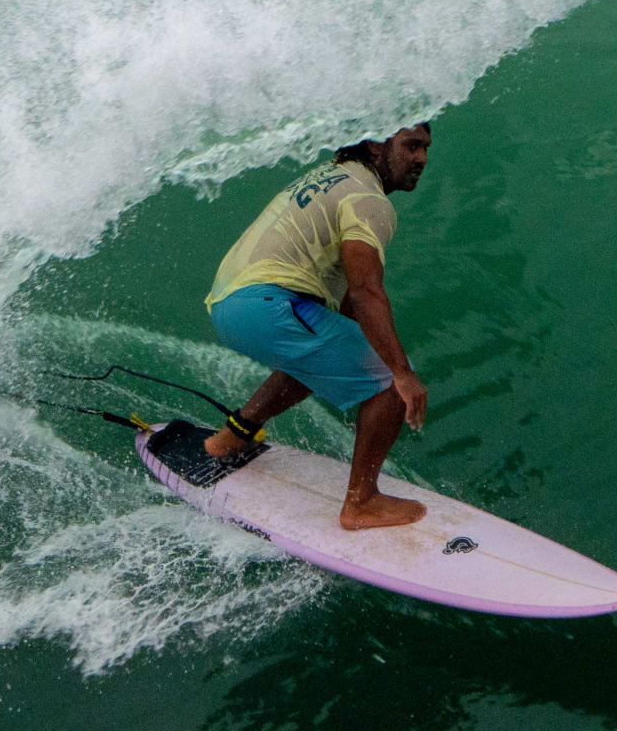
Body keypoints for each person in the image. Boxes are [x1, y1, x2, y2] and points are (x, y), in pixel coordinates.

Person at [183, 123, 433, 530]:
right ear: (375, 144)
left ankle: (231, 438)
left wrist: (356, 350)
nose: (421, 159)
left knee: (323, 355)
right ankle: (361, 502)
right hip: (270, 304)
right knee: (388, 382)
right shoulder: (369, 200)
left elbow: (350, 304)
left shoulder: (330, 175)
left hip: (231, 302)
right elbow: (366, 291)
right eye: (411, 146)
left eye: (425, 149)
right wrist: (402, 374)